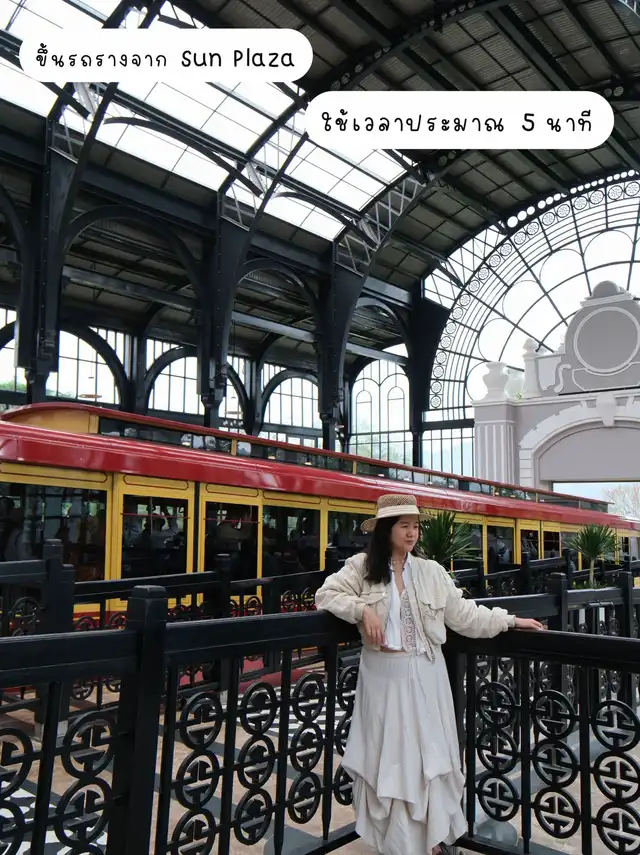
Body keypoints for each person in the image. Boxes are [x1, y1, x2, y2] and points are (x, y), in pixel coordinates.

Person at [315, 494, 544, 855]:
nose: (412, 533)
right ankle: (400, 842)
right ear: (386, 530)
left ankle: (429, 839)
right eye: (404, 526)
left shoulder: (431, 571)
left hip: (426, 674)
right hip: (382, 678)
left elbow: (464, 615)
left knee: (428, 758)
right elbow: (326, 595)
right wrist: (362, 610)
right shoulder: (360, 568)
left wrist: (510, 620)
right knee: (390, 759)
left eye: (416, 526)